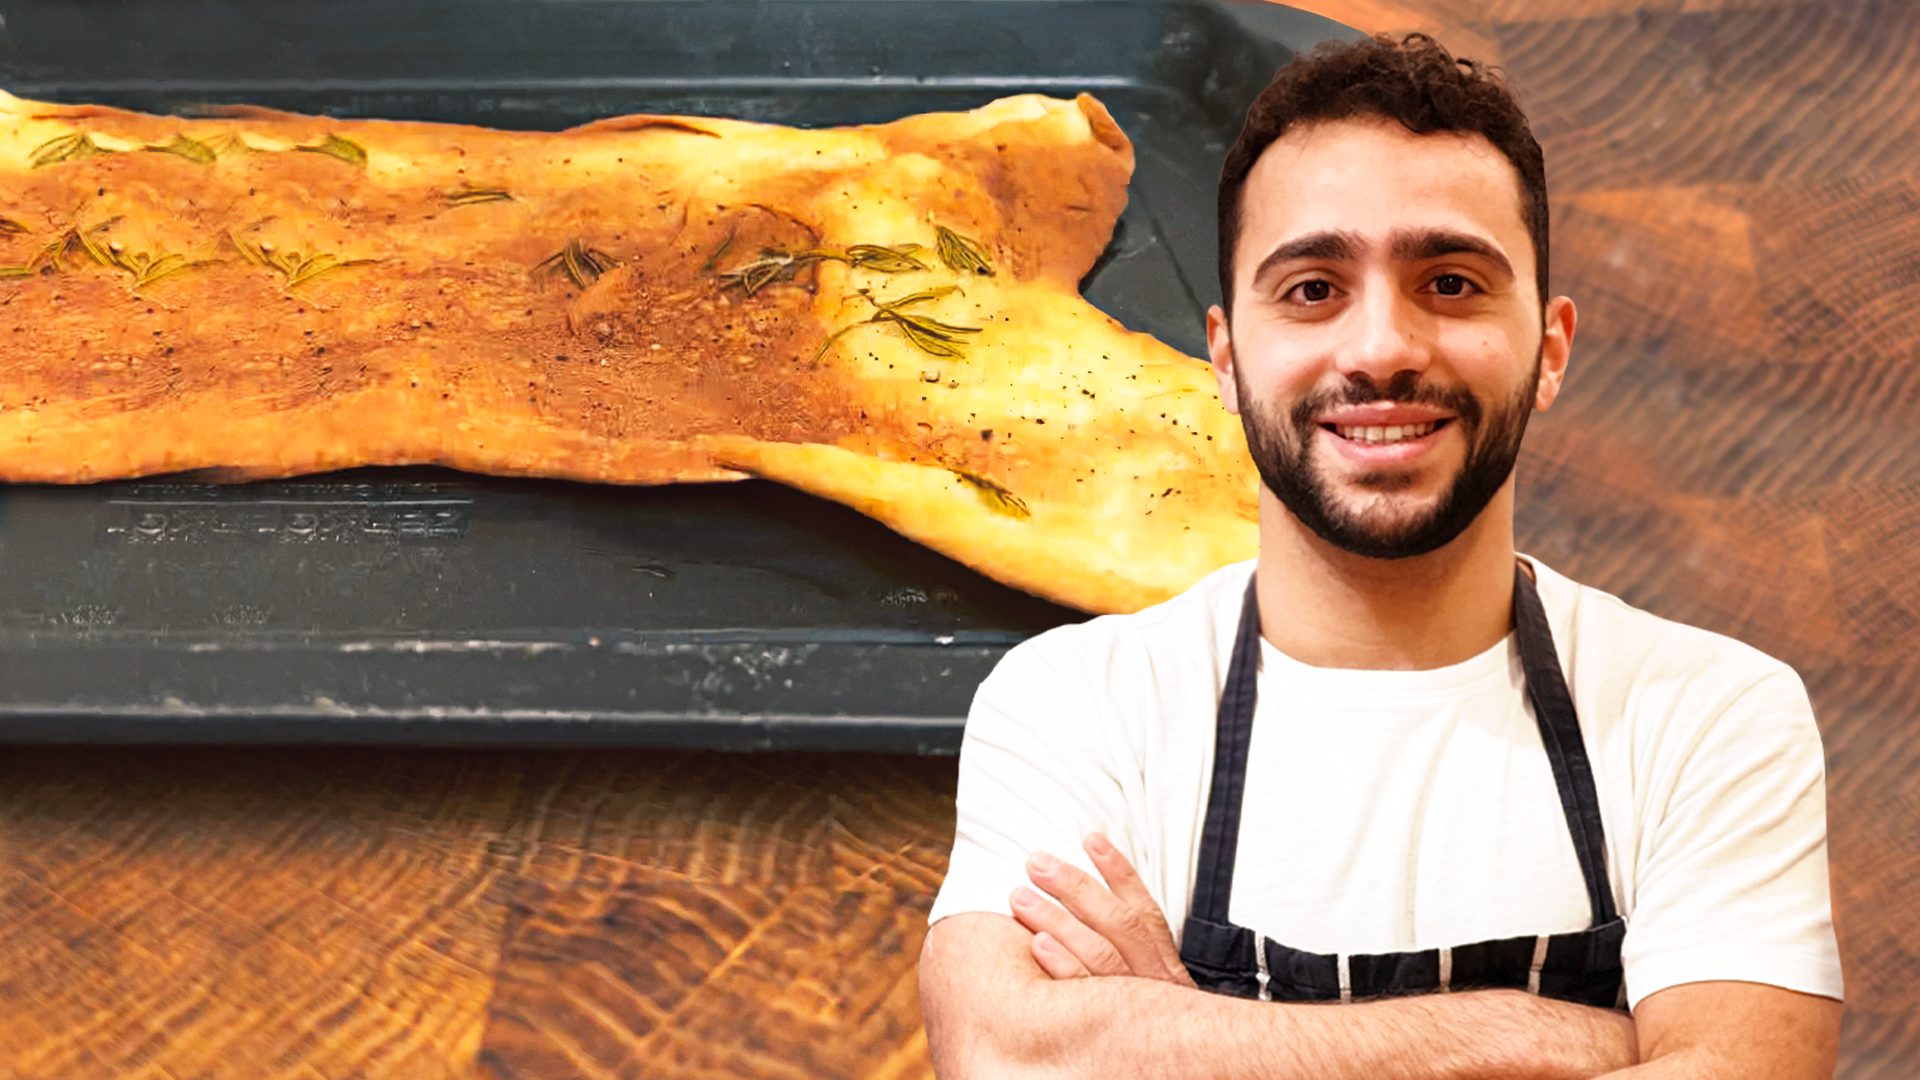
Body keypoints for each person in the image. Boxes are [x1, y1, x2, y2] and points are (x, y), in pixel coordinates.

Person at [917, 32, 1844, 1079]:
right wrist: (1537, 1037)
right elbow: (1009, 1058)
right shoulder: (1077, 703)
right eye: (1312, 288)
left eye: (1450, 282)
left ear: (1551, 347)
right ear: (1224, 358)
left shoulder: (1711, 714)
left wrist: (1178, 1035)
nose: (1380, 349)